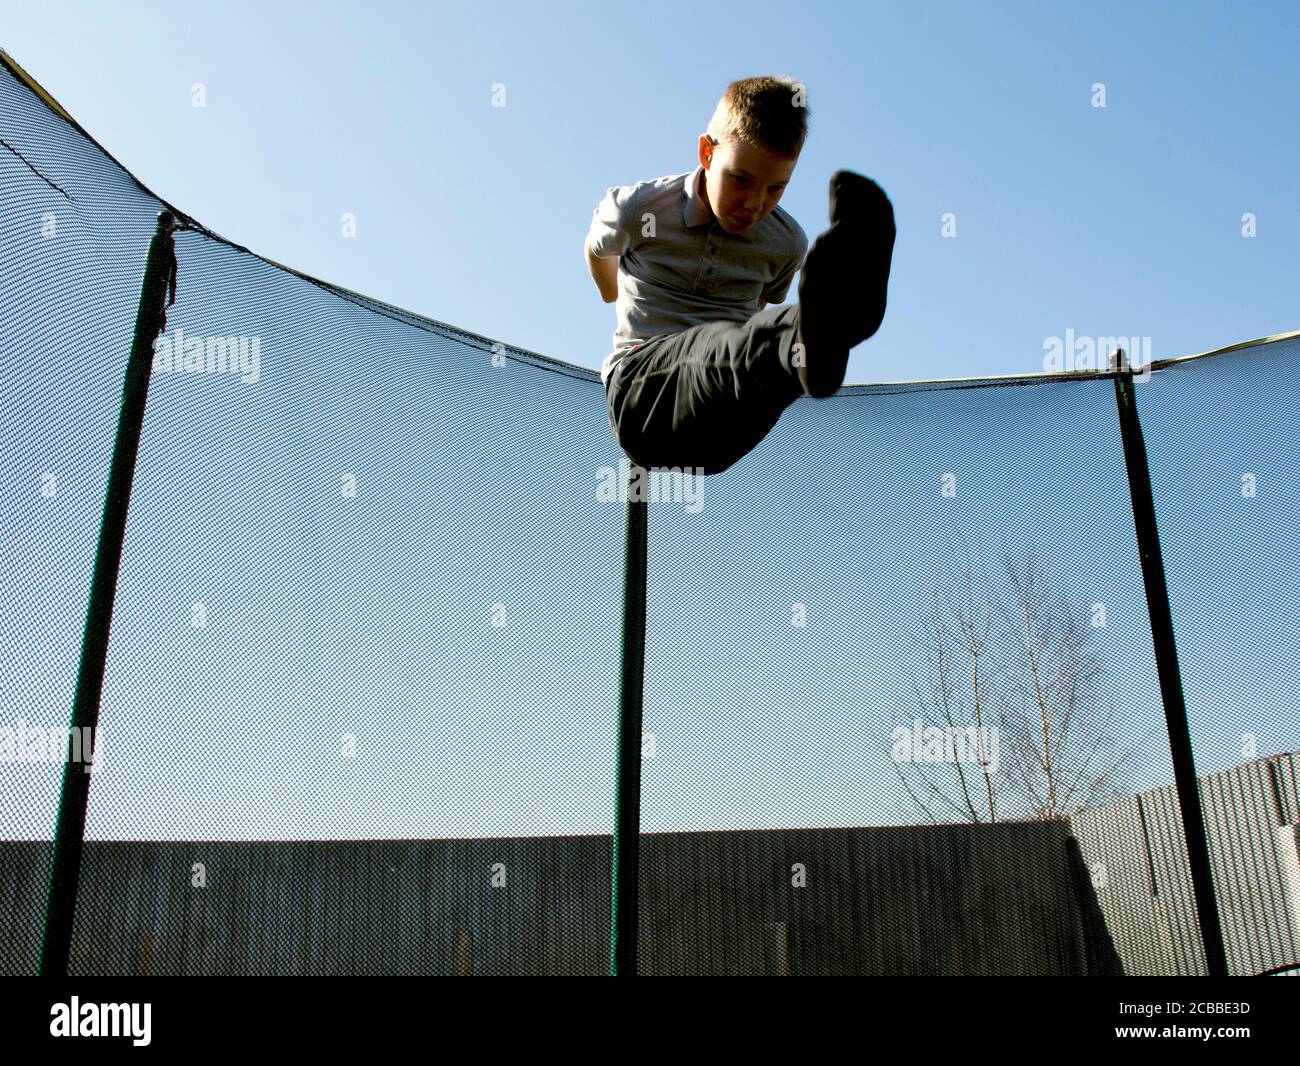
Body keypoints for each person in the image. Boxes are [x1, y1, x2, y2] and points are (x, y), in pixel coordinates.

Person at [586, 75, 896, 476]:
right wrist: (610, 293)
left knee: (759, 360)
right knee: (723, 350)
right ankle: (812, 333)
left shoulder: (786, 244)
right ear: (707, 153)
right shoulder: (640, 208)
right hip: (643, 396)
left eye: (776, 189)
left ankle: (842, 320)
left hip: (724, 433)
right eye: (741, 180)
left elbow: (758, 312)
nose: (754, 204)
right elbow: (596, 250)